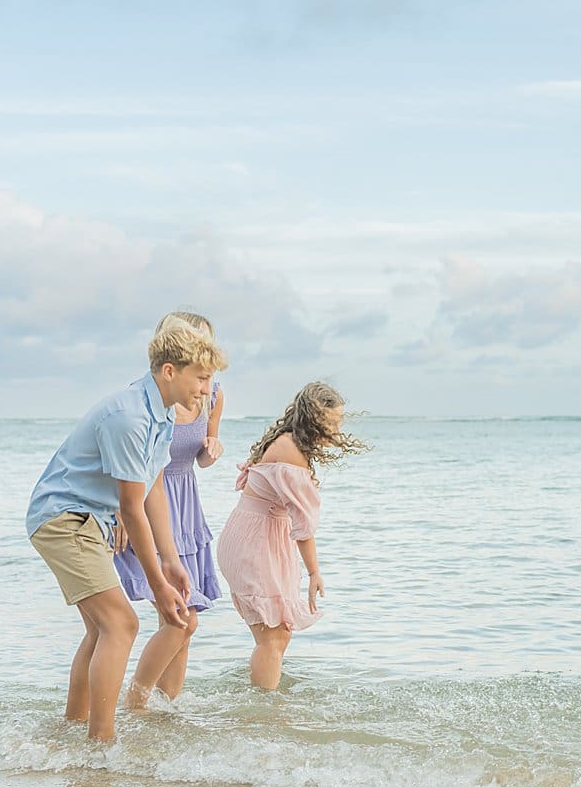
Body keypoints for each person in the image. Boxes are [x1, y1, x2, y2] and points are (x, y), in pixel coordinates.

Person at [26, 324, 224, 740]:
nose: (207, 390)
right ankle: (101, 743)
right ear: (170, 370)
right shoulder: (130, 416)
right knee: (122, 624)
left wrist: (170, 562)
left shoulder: (162, 412)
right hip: (64, 519)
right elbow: (132, 509)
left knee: (102, 628)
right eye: (201, 378)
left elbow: (153, 486)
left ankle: (76, 731)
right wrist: (157, 582)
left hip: (86, 519)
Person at [215, 382, 367, 690]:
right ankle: (265, 712)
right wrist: (314, 572)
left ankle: (263, 704)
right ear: (314, 418)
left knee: (275, 634)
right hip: (255, 542)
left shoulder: (287, 441)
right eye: (332, 422)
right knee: (273, 636)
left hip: (255, 535)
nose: (337, 430)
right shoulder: (291, 453)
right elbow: (304, 524)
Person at [113, 312, 229, 709]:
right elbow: (129, 465)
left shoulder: (211, 394)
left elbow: (203, 456)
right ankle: (135, 703)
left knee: (184, 623)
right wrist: (122, 516)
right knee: (182, 618)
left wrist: (213, 449)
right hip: (145, 503)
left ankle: (166, 710)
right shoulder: (144, 399)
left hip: (185, 504)